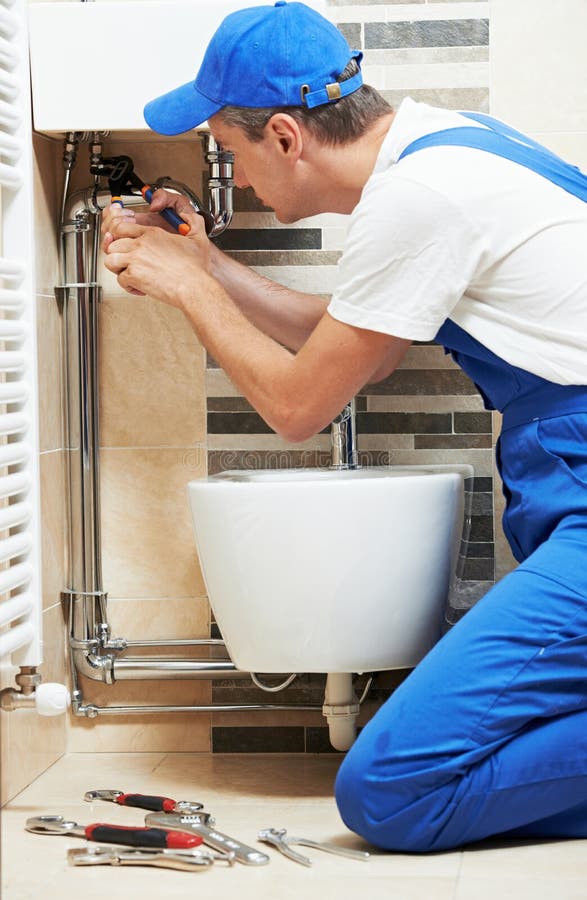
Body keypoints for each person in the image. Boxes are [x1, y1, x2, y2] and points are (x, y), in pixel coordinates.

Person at [102, 1, 587, 852]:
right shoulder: (449, 144)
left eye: (232, 150)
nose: (237, 177)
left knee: (391, 794)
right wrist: (207, 261)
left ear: (285, 135)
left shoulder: (418, 197)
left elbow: (298, 408)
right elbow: (362, 345)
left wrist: (189, 289)